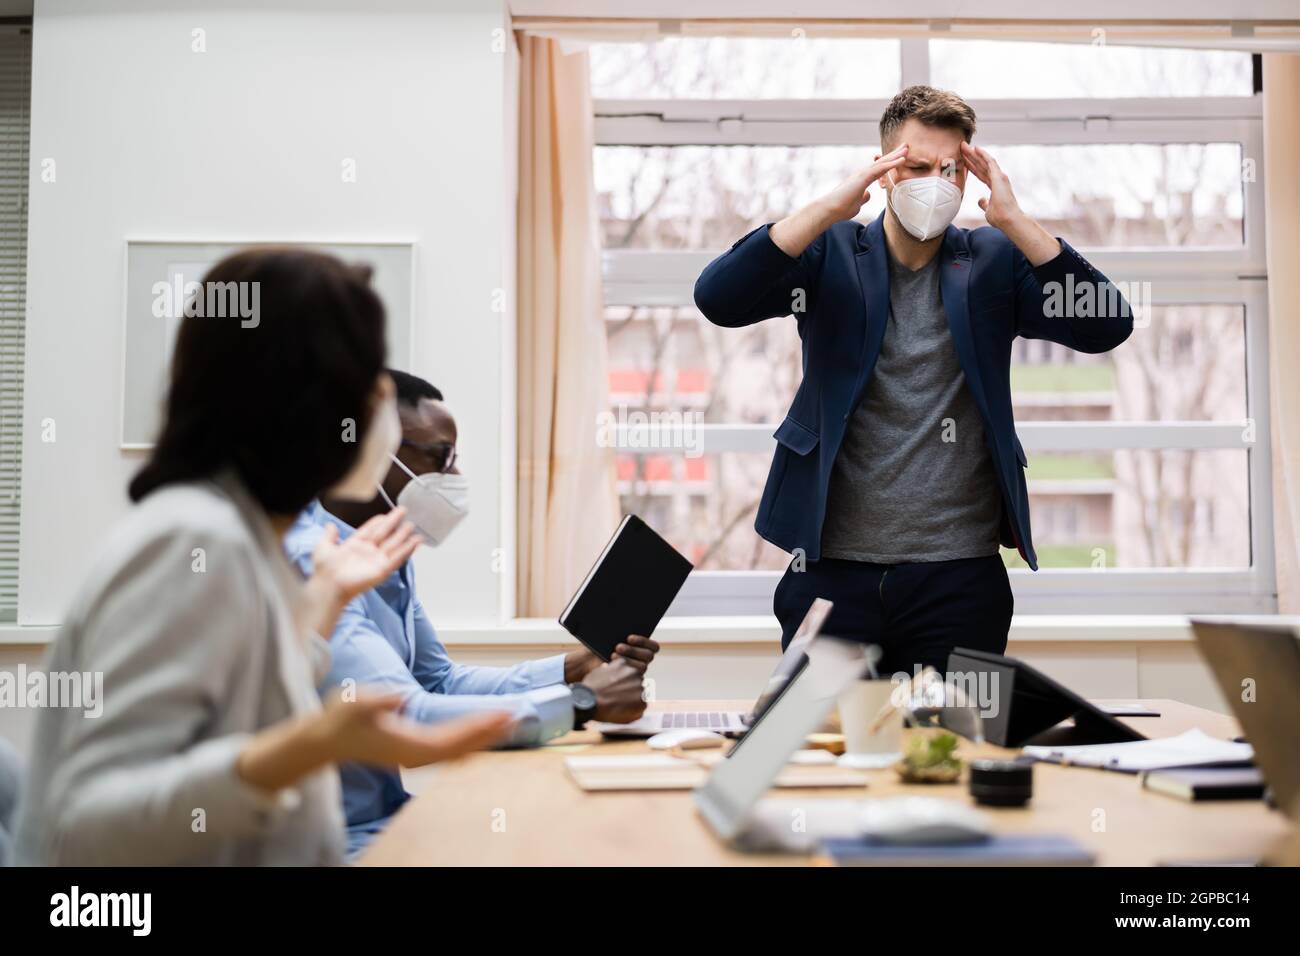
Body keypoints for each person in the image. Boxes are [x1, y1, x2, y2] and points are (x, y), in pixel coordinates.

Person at [14, 249, 510, 866]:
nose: (380, 412)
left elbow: (229, 716)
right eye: (367, 390)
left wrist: (318, 611)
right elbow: (86, 828)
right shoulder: (193, 542)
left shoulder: (254, 540)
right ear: (304, 405)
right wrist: (304, 748)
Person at [693, 85, 1133, 677]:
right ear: (885, 173)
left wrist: (1015, 220)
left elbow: (1107, 324)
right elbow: (718, 298)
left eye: (949, 169)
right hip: (831, 574)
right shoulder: (830, 253)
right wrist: (828, 210)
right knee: (815, 750)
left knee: (953, 755)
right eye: (916, 166)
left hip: (959, 578)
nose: (934, 182)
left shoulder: (994, 261)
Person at [284, 369, 658, 855]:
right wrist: (581, 702)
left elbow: (439, 682)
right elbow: (410, 718)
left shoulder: (380, 554)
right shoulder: (314, 561)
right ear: (370, 453)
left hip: (387, 819)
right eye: (442, 457)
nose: (454, 477)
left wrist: (571, 670)